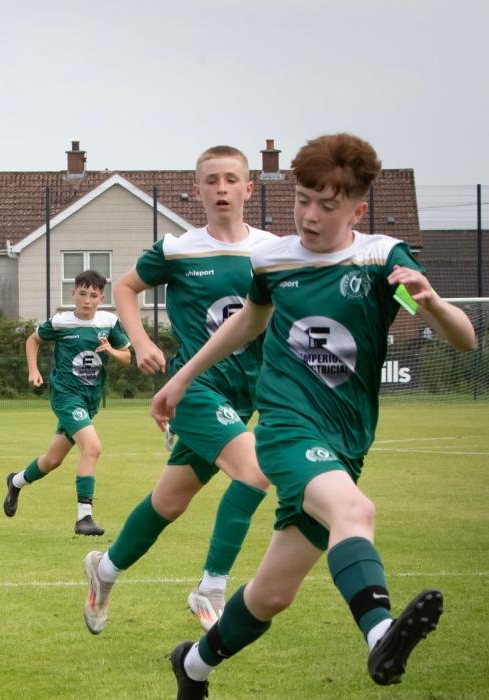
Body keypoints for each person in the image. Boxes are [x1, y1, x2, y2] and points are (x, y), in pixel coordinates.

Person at [151, 133, 476, 698]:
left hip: (346, 442)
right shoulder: (273, 261)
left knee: (272, 593)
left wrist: (433, 302)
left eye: (328, 205)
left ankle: (193, 666)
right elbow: (248, 322)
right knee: (355, 509)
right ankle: (380, 636)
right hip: (287, 428)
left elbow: (465, 340)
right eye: (303, 199)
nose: (310, 215)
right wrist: (181, 378)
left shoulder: (381, 259)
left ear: (357, 208)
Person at [81, 146, 276, 635]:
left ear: (249, 189)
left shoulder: (273, 251)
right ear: (198, 190)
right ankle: (211, 587)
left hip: (242, 398)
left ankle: (103, 571)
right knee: (254, 473)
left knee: (169, 502)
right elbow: (125, 289)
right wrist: (142, 341)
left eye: (232, 179)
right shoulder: (177, 249)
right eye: (212, 180)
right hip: (194, 389)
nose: (222, 189)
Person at [2, 270, 131, 536]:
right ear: (73, 294)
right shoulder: (61, 321)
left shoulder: (109, 322)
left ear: (101, 298)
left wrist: (111, 351)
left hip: (89, 400)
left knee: (52, 460)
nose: (86, 300)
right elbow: (33, 340)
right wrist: (33, 370)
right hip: (65, 395)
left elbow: (127, 357)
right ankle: (84, 517)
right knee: (93, 448)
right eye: (82, 294)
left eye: (93, 295)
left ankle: (15, 482)